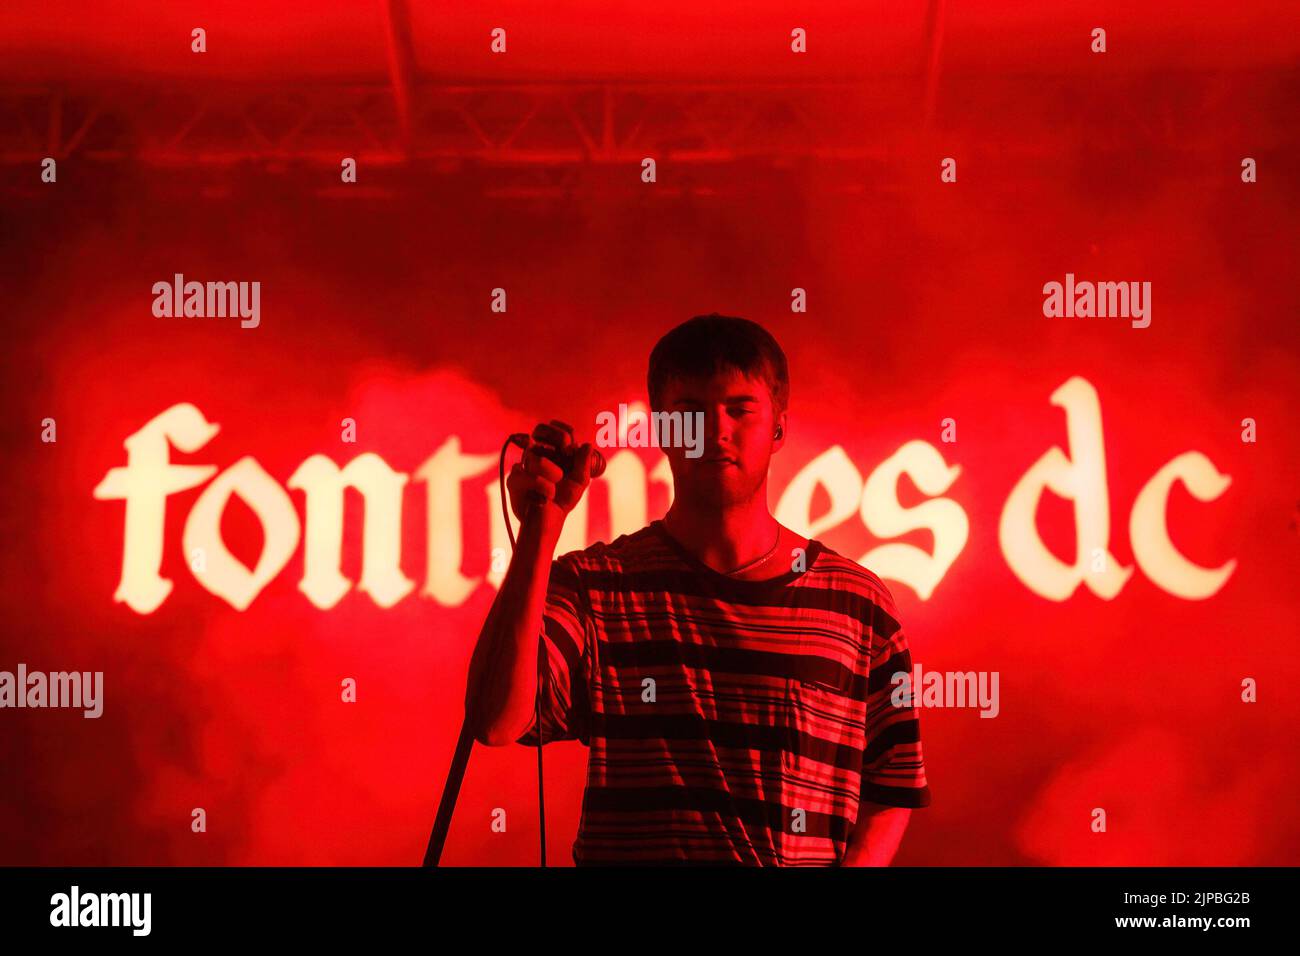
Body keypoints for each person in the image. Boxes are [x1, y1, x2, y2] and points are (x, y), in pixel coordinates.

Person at [464, 313, 931, 865]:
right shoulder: (598, 586)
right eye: (689, 414)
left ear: (779, 427)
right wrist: (540, 528)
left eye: (739, 408)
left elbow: (891, 782)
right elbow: (495, 719)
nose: (716, 430)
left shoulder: (857, 603)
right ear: (662, 431)